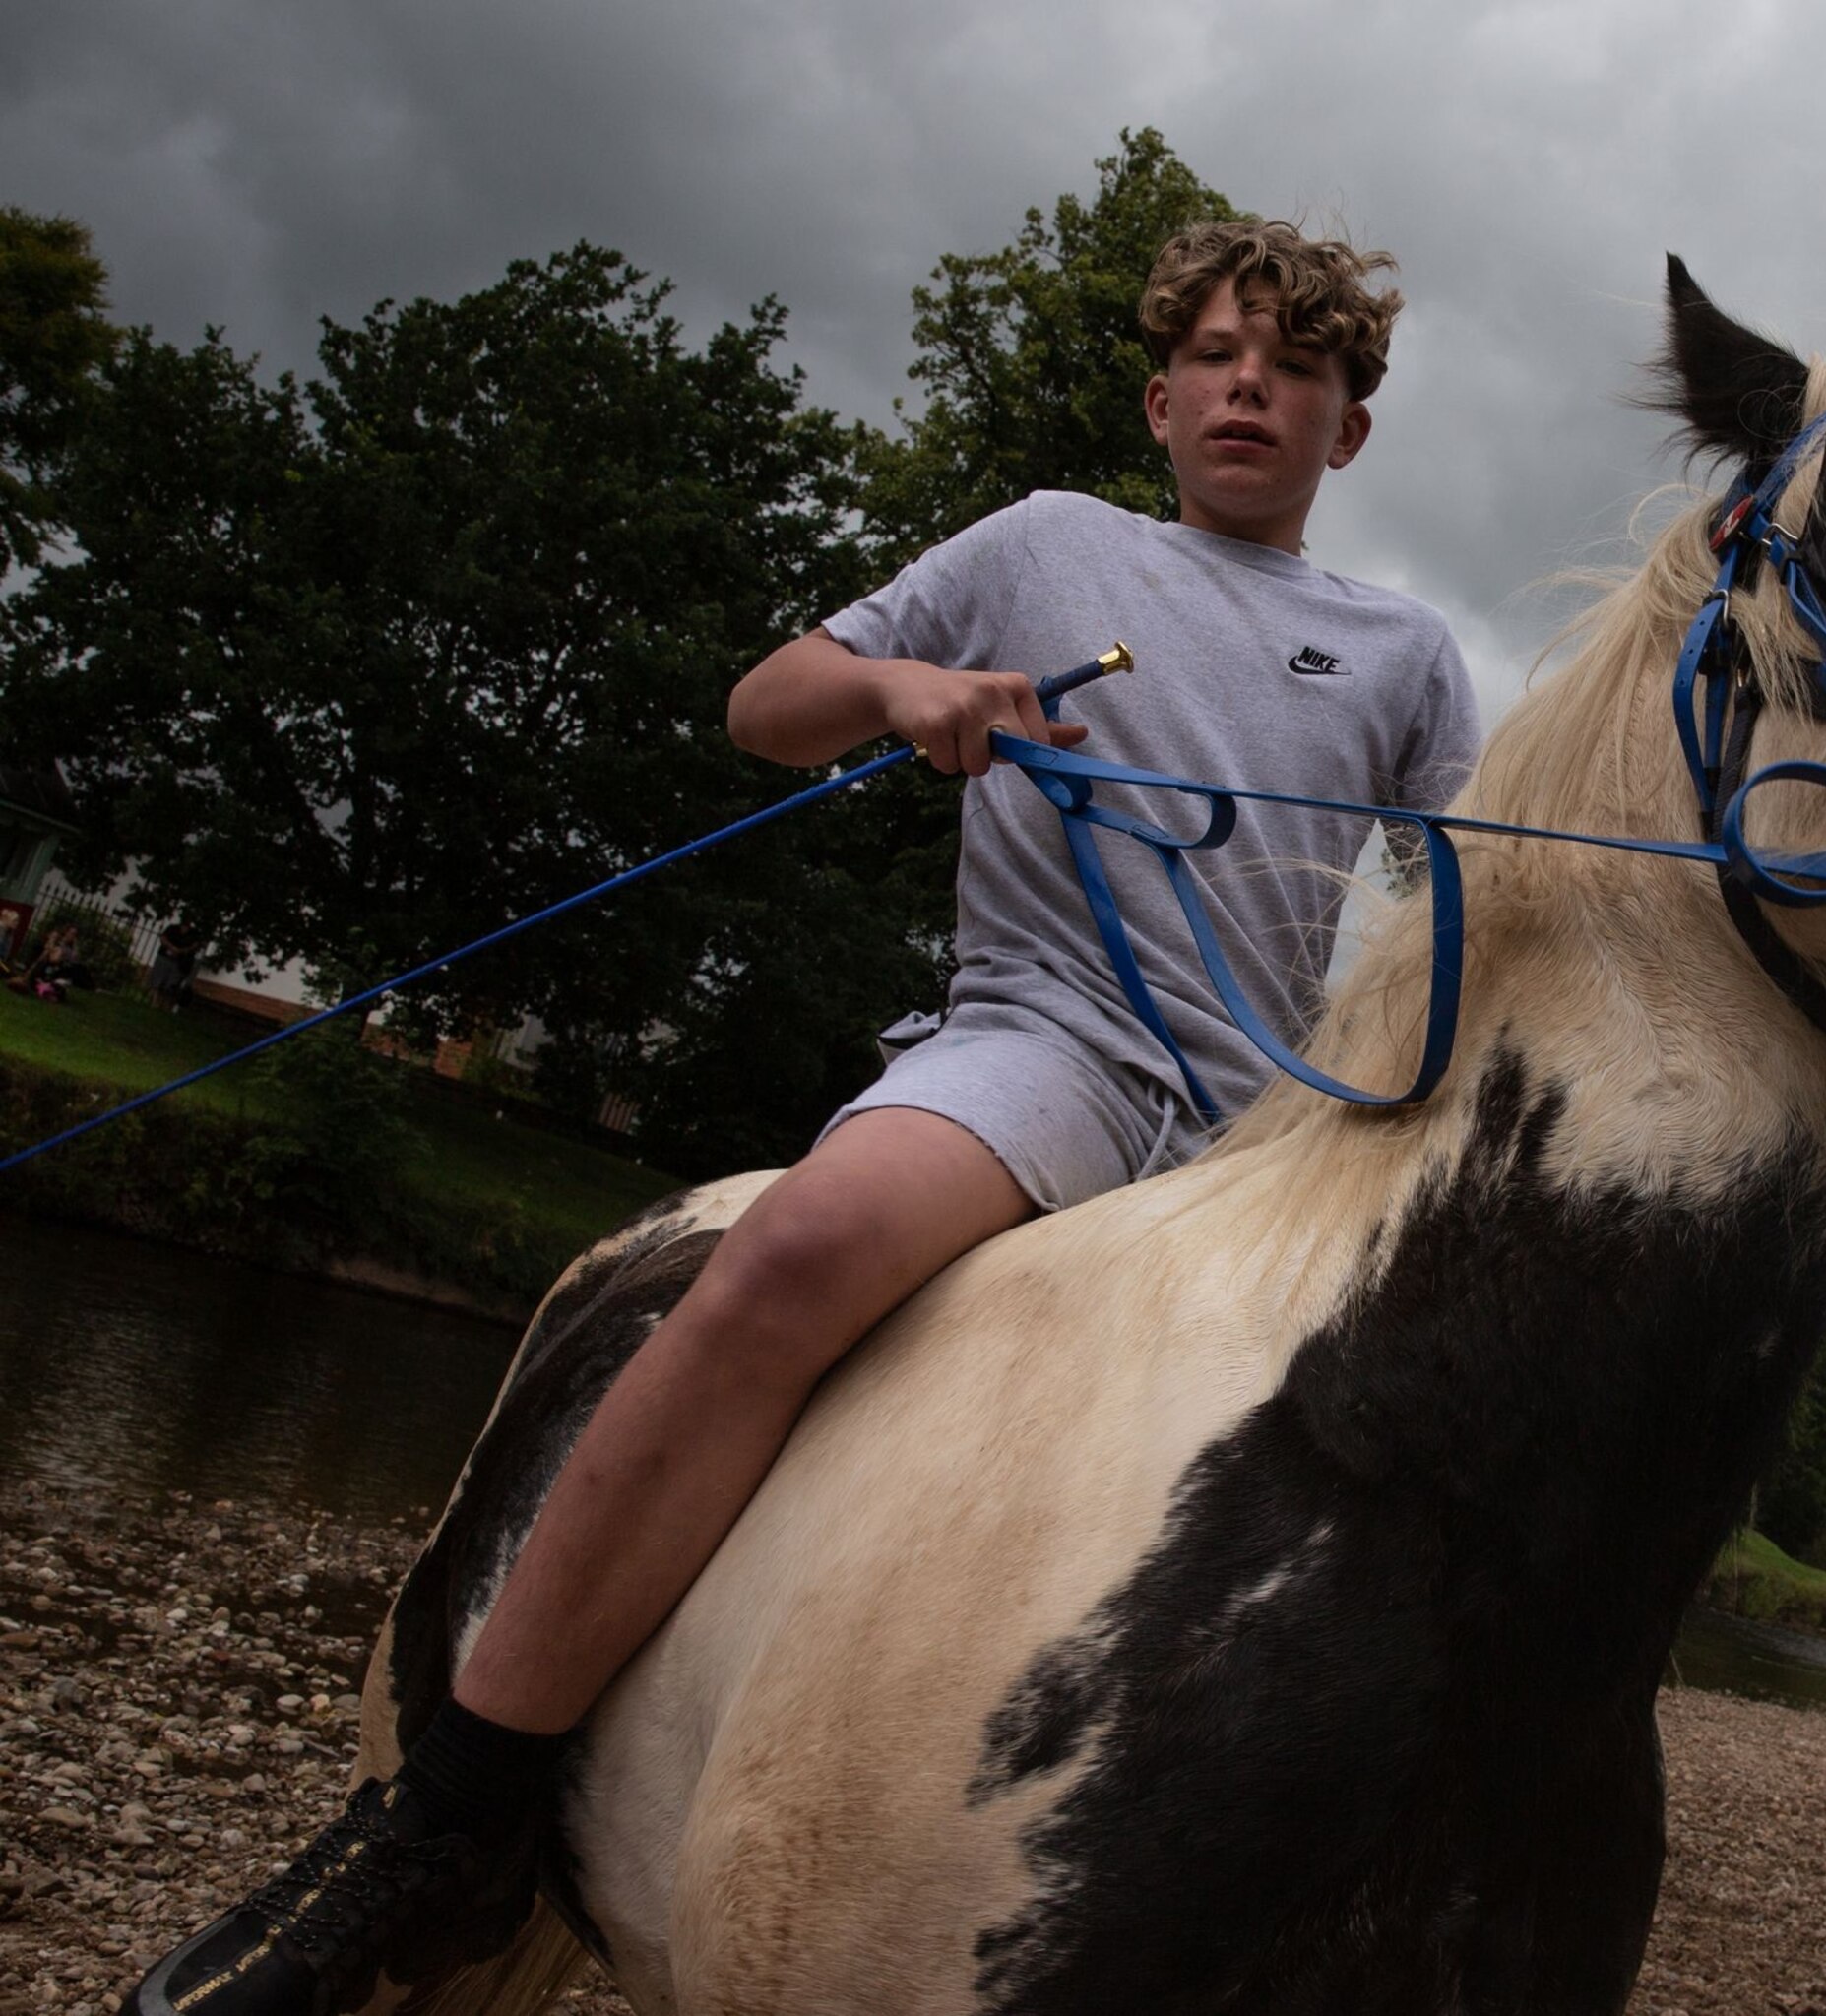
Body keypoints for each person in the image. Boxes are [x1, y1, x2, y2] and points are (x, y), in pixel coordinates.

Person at [130, 217, 1480, 2016]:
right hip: (1052, 1049)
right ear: (1163, 400)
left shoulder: (1400, 650)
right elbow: (768, 705)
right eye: (1226, 357)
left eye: (1301, 368)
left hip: (1259, 1141)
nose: (1258, 386)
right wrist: (904, 690)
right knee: (801, 1247)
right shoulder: (1048, 542)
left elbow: (1480, 878)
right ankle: (443, 1824)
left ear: (1349, 432)